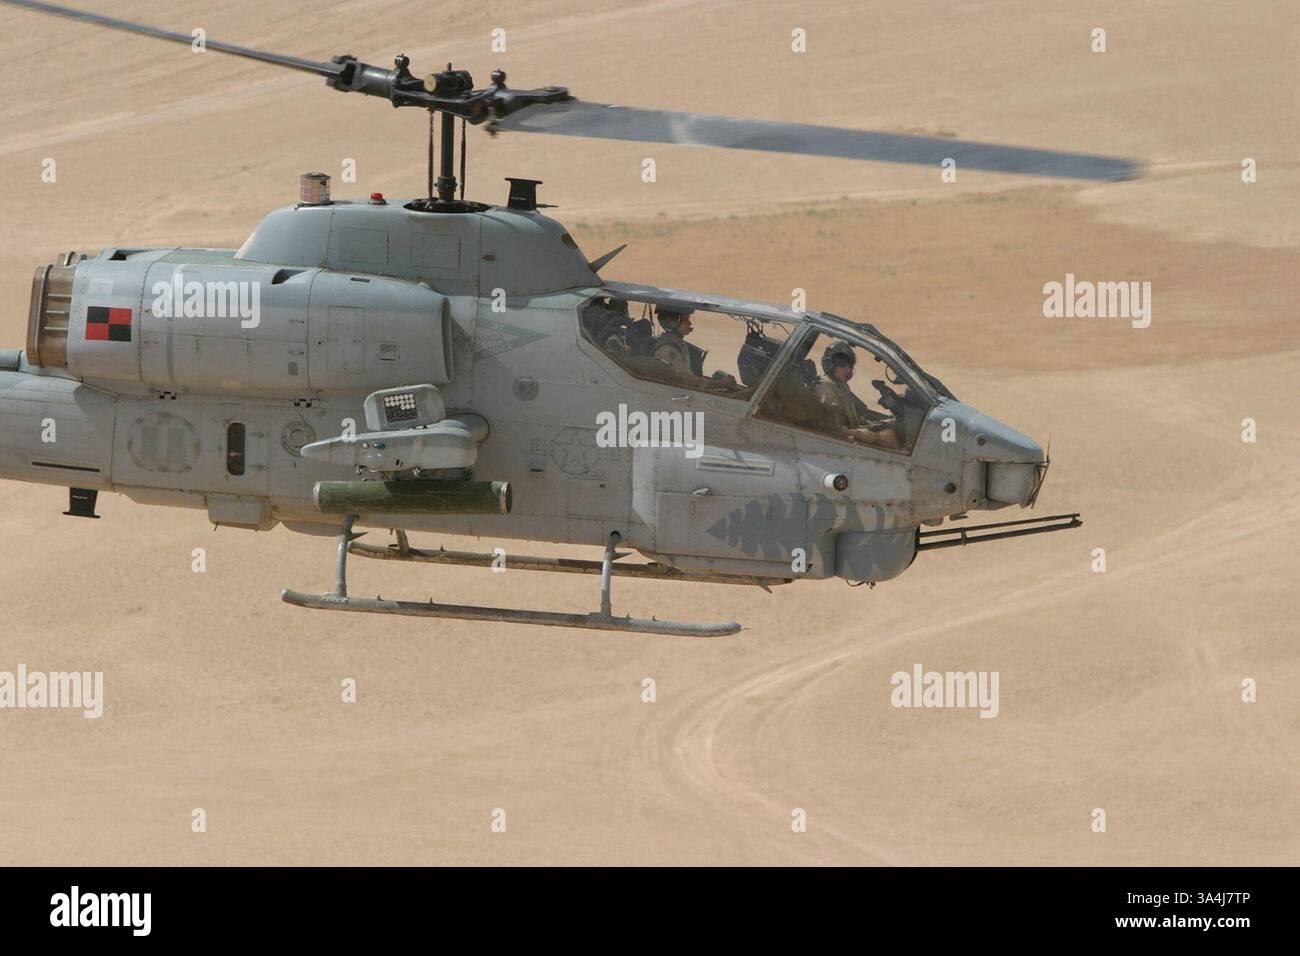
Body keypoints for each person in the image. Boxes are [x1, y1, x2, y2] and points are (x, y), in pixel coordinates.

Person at [815, 340, 902, 448]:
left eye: (849, 364)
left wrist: (873, 423)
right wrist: (857, 433)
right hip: (840, 442)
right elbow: (830, 429)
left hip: (850, 434)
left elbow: (851, 416)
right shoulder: (825, 387)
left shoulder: (841, 386)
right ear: (829, 364)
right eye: (841, 364)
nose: (847, 369)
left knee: (890, 432)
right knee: (888, 437)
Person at [651, 306, 738, 389]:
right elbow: (688, 381)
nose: (690, 323)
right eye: (686, 319)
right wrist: (719, 384)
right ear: (672, 322)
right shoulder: (668, 350)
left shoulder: (677, 343)